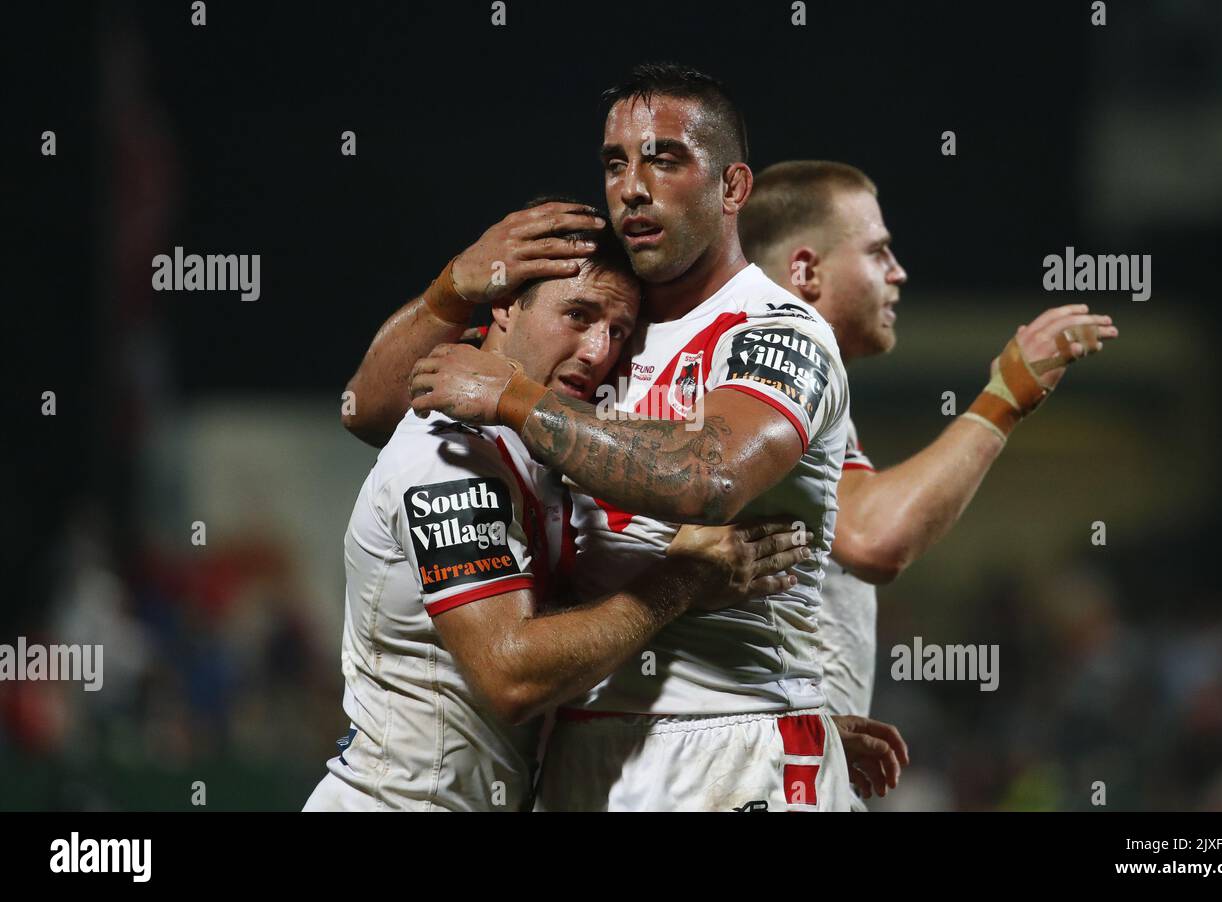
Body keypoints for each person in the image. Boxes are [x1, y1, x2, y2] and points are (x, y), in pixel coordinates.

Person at [412, 64, 1118, 811]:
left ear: (732, 188)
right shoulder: (602, 328)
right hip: (586, 746)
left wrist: (513, 398)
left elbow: (707, 478)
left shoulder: (778, 331)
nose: (632, 186)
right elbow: (371, 408)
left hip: (732, 746)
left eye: (665, 159)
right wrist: (452, 287)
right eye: (616, 163)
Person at [305, 215, 809, 811]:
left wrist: (760, 716)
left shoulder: (534, 444)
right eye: (577, 316)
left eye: (620, 332)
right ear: (502, 309)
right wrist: (686, 579)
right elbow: (512, 675)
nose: (598, 351)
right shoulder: (449, 457)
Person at [739, 160, 1119, 805]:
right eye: (878, 251)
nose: (899, 272)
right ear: (806, 271)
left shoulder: (749, 373)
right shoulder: (771, 373)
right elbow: (873, 537)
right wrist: (1005, 397)